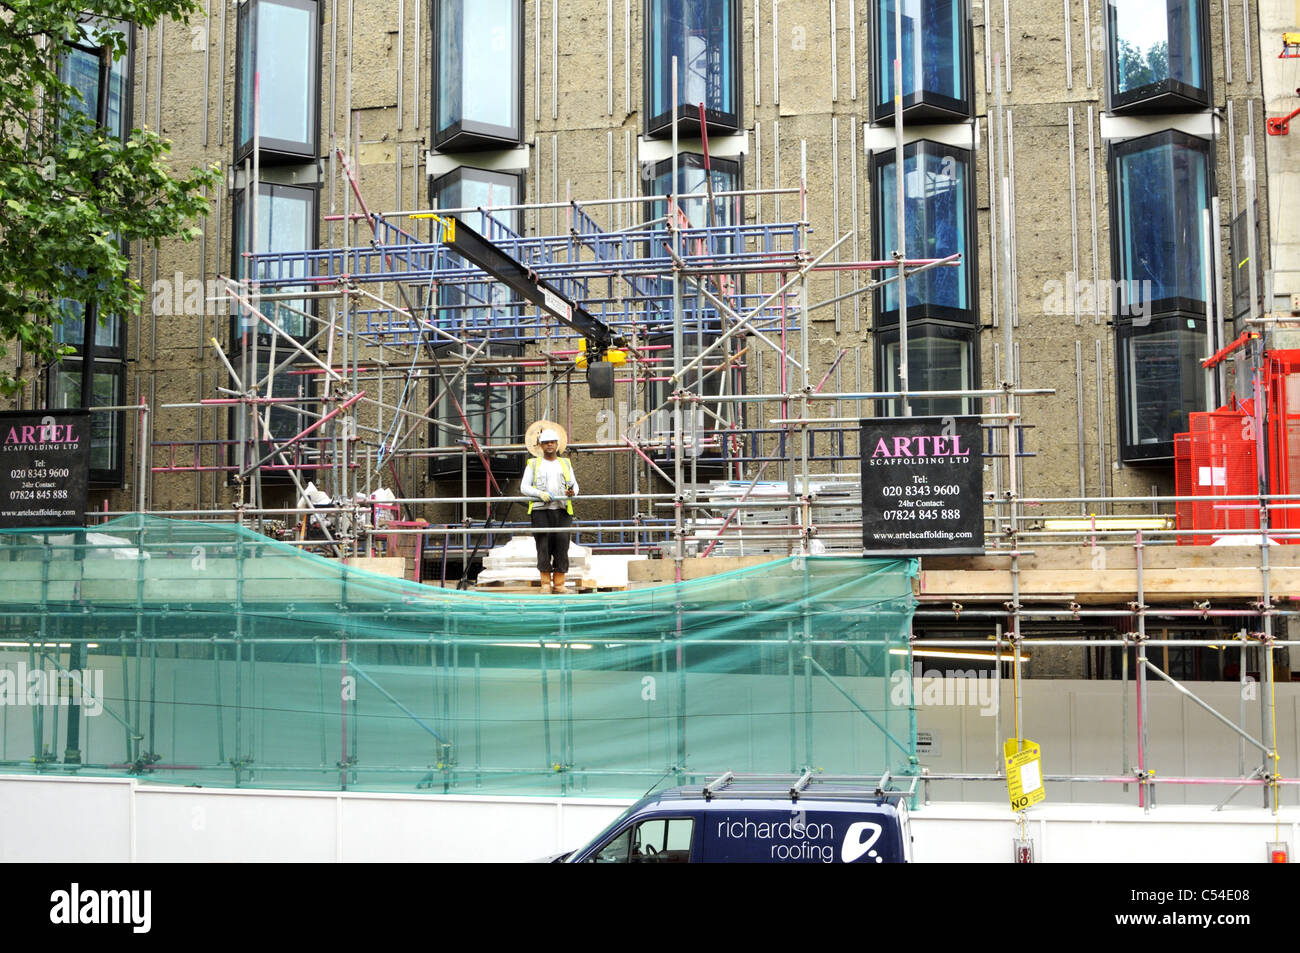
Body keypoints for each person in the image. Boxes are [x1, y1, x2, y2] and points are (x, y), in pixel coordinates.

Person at [520, 428, 579, 593]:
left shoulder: (565, 463)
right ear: (541, 445)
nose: (549, 445)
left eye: (552, 442)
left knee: (562, 545)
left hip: (562, 510)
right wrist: (540, 494)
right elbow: (524, 487)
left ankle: (559, 584)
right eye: (546, 442)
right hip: (541, 511)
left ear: (557, 444)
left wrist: (572, 492)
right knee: (543, 545)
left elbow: (575, 485)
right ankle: (545, 584)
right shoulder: (533, 464)